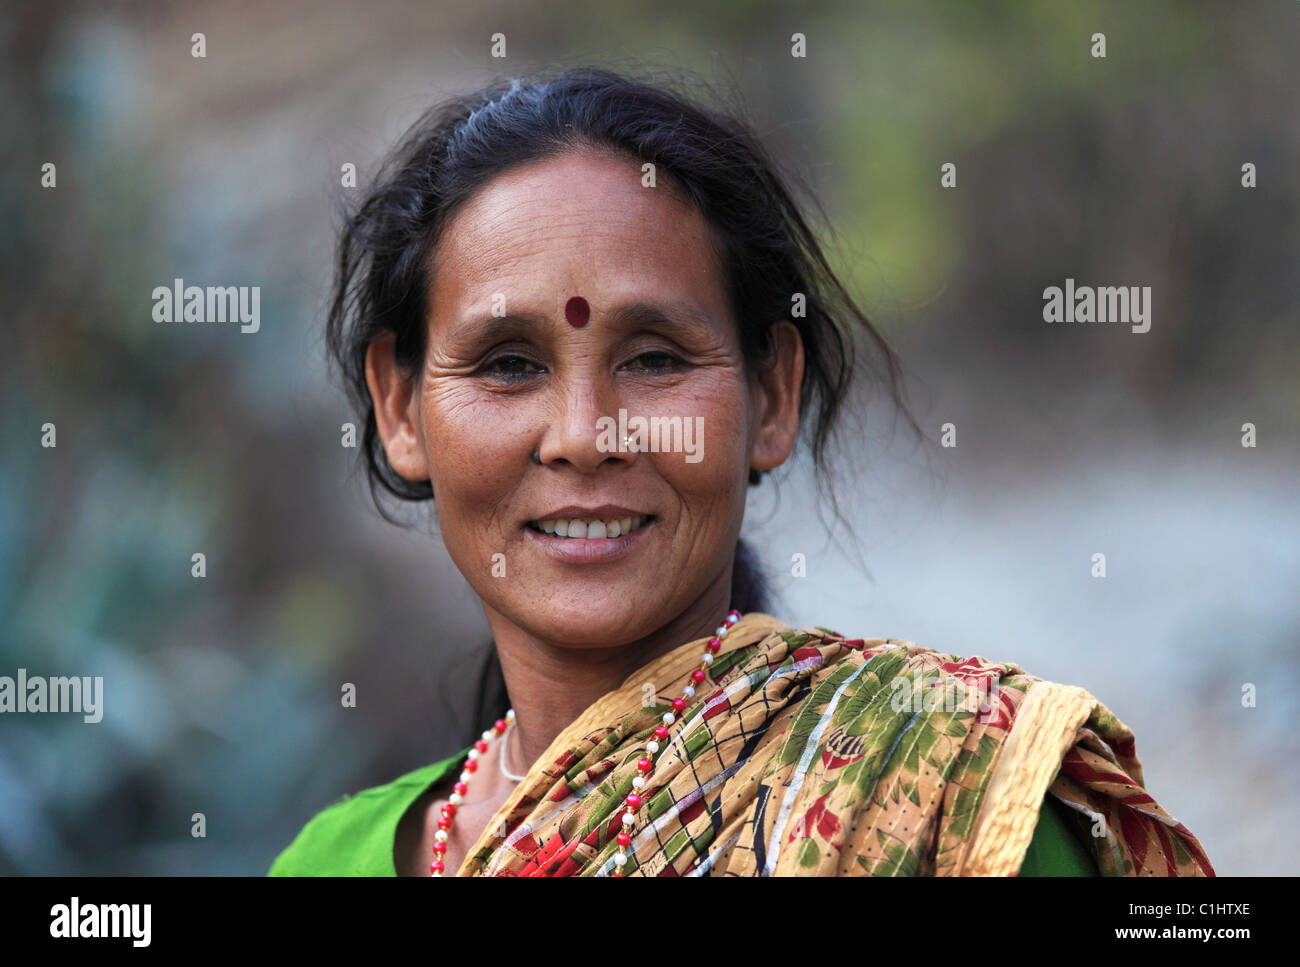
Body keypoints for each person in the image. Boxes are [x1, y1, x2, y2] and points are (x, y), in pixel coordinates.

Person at [269, 66, 1213, 877]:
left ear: (771, 396)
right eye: (509, 363)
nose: (584, 436)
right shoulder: (329, 859)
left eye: (655, 358)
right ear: (399, 408)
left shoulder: (954, 808)